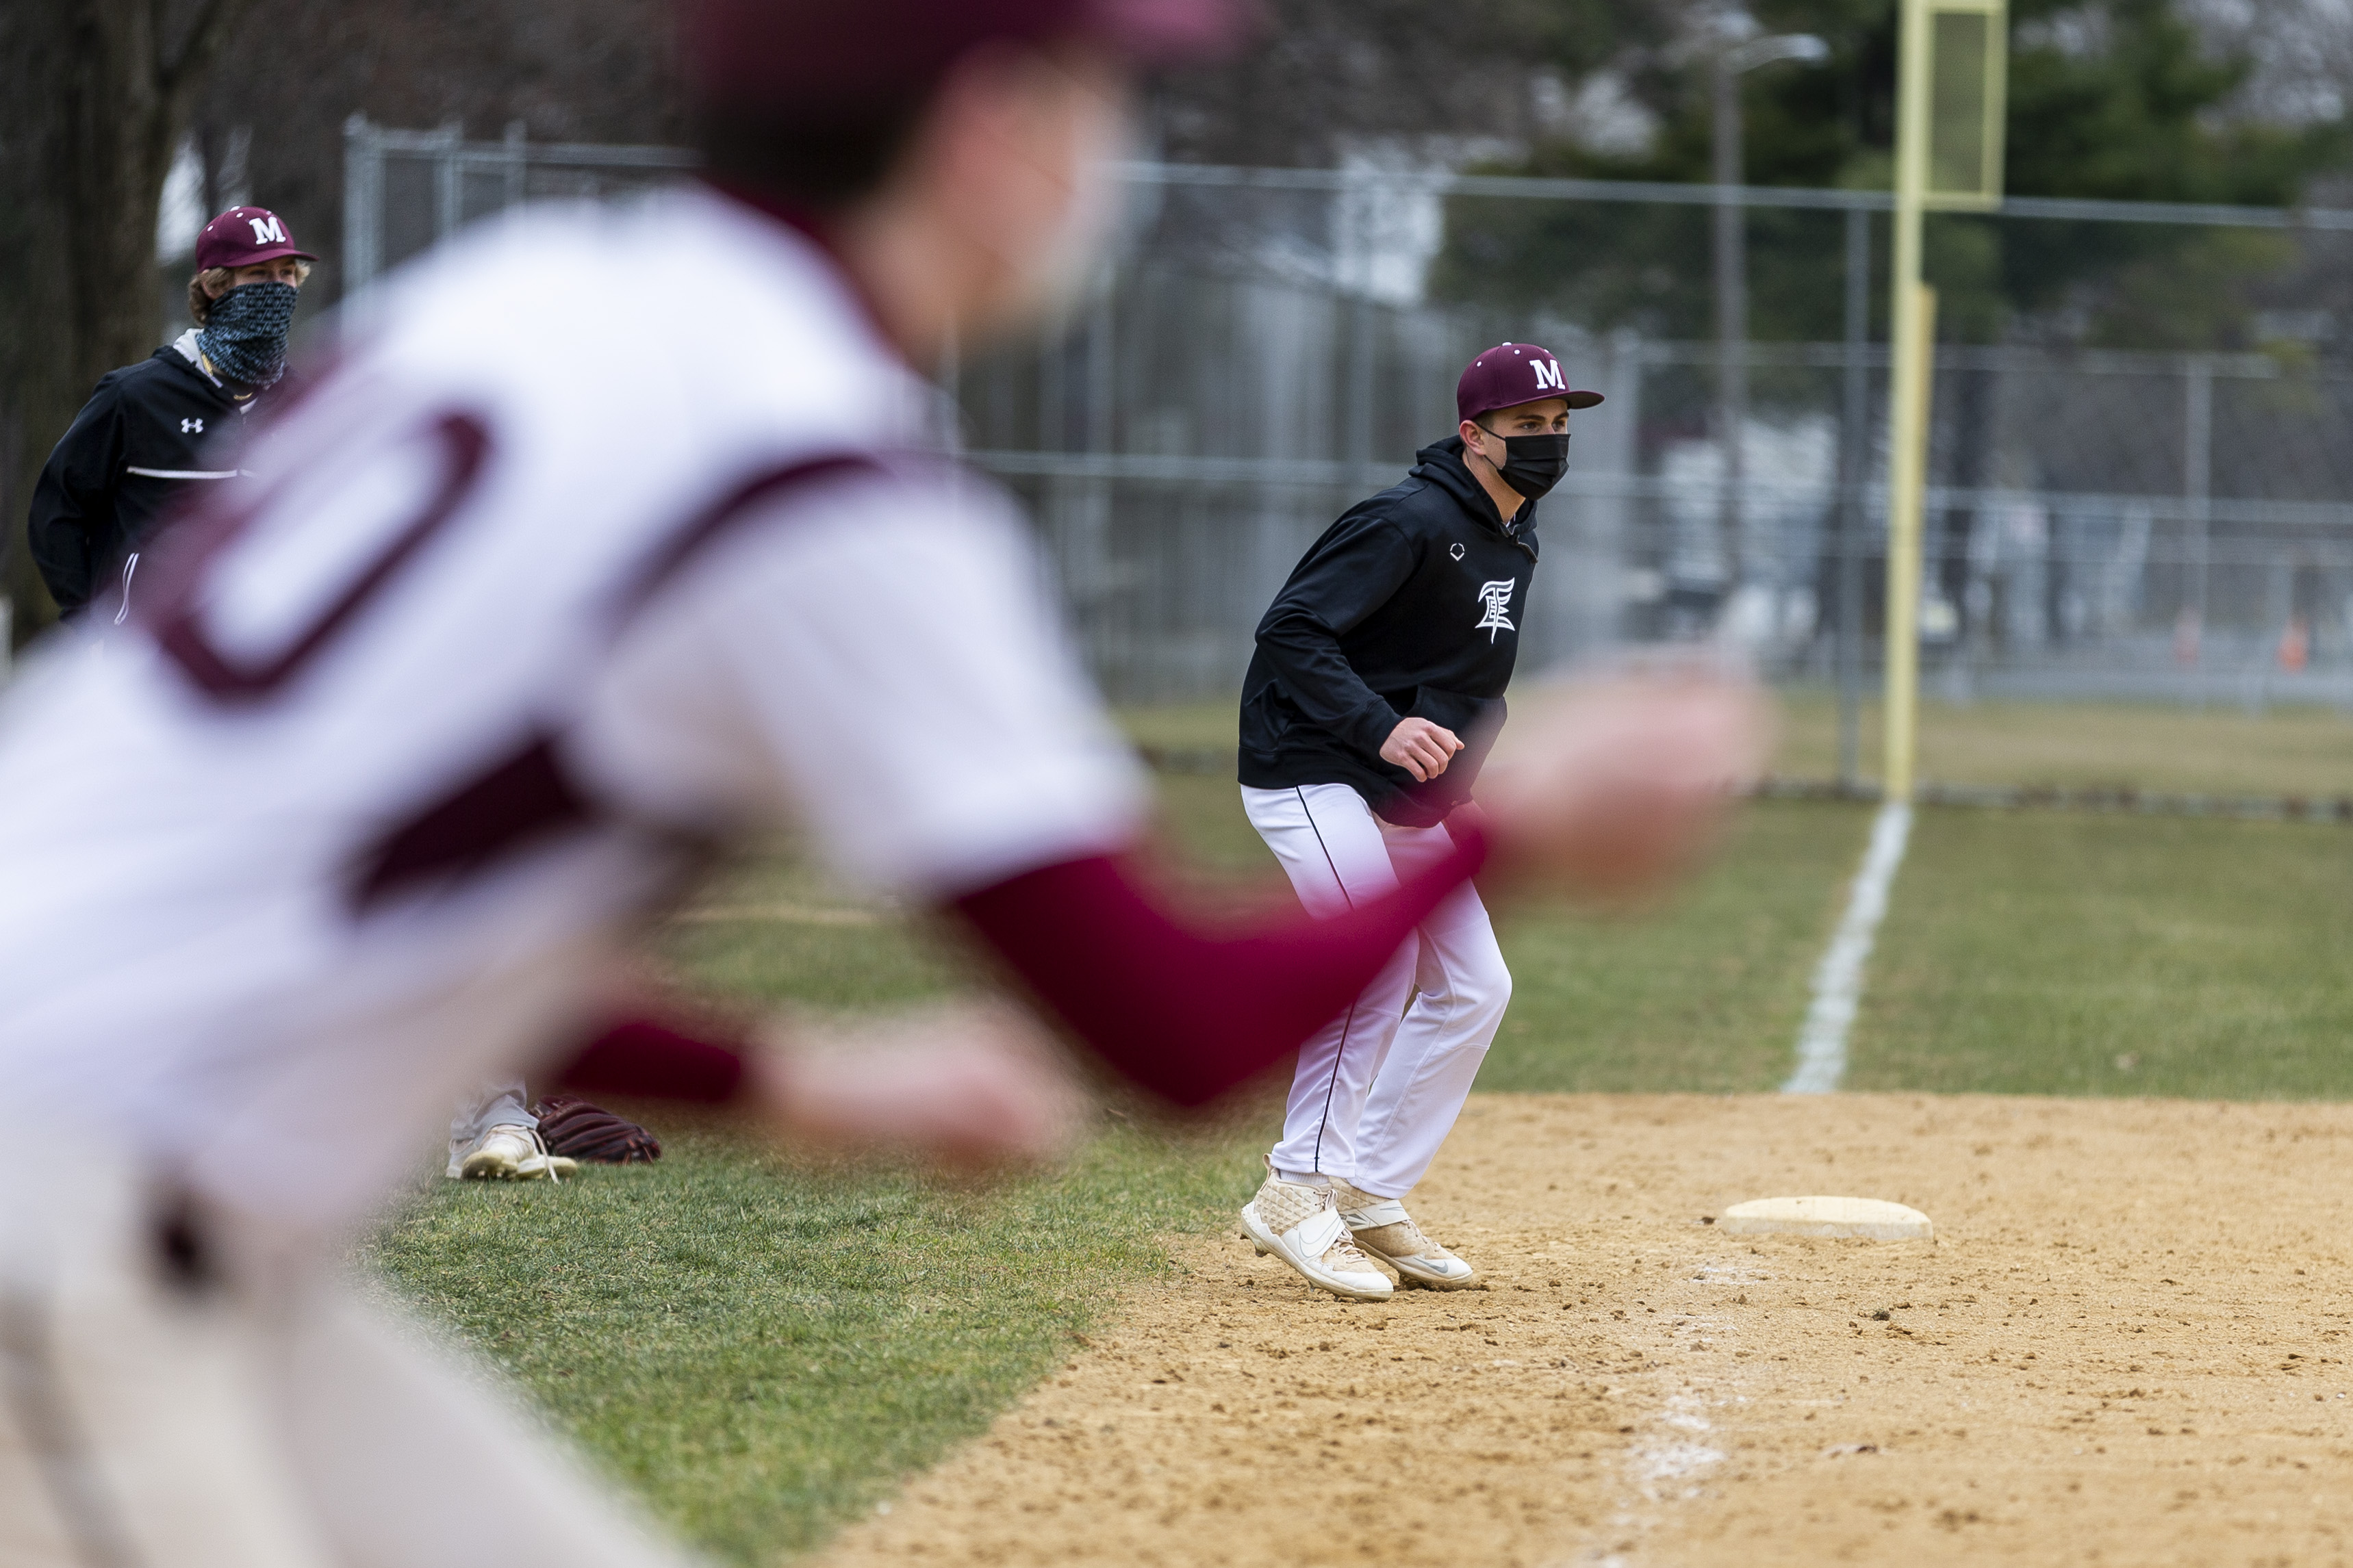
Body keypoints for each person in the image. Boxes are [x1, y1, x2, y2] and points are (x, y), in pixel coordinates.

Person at [0, 3, 1762, 1565]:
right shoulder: (817, 466)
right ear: (990, 128)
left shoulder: (517, 297)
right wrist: (1527, 824)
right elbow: (1165, 1018)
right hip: (63, 1215)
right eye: (1102, 98)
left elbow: (326, 892)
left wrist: (791, 1072)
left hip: (141, 1179)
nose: (1112, 157)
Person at [1236, 343, 1601, 1301]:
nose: (1549, 442)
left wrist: (1457, 781)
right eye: (1527, 426)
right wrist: (1378, 726)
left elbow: (1461, 680)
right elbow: (1290, 629)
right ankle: (1292, 1189)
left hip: (1400, 789)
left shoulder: (1510, 530)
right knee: (1375, 957)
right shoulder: (1407, 518)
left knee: (1475, 984)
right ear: (1473, 433)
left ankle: (1364, 1190)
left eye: (1560, 424)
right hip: (1311, 770)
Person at [27, 205, 314, 619]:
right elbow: (56, 512)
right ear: (216, 286)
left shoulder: (300, 401)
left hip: (261, 657)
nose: (278, 288)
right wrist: (90, 623)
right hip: (147, 661)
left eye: (287, 273)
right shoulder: (135, 396)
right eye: (259, 276)